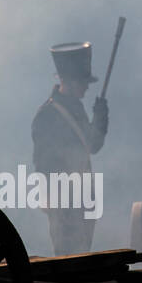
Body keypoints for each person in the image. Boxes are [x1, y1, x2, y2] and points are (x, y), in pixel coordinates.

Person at [32, 41, 109, 255]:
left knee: (82, 254)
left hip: (83, 198)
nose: (86, 86)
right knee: (68, 258)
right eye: (83, 81)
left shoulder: (76, 108)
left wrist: (100, 117)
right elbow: (44, 164)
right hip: (64, 202)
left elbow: (92, 145)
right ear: (71, 81)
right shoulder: (47, 115)